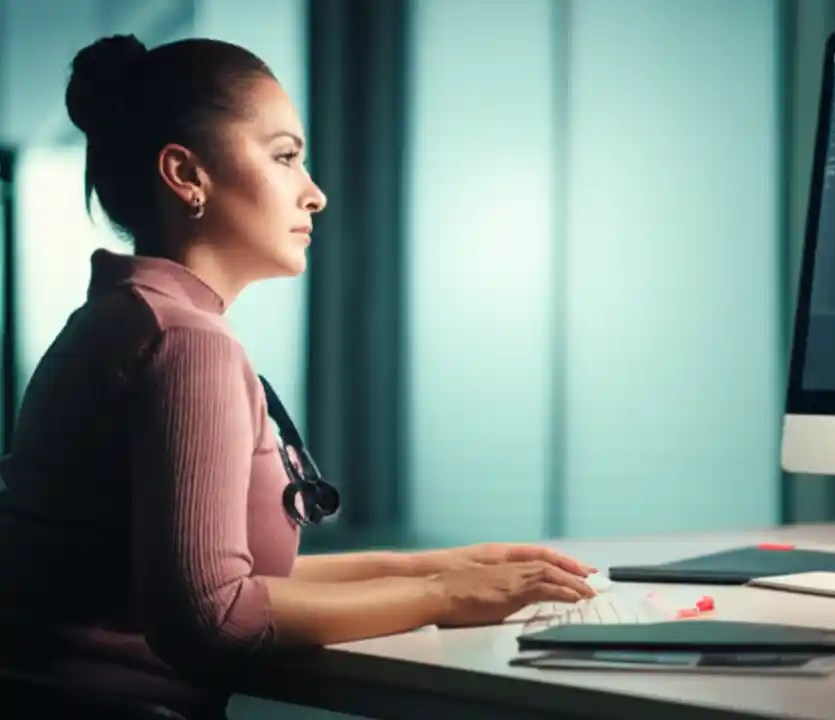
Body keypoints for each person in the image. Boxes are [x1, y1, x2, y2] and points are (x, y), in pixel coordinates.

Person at [0, 35, 596, 720]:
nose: (314, 194)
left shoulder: (129, 318)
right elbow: (212, 614)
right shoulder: (184, 343)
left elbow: (223, 574)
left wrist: (436, 568)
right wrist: (448, 598)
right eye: (285, 157)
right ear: (185, 175)